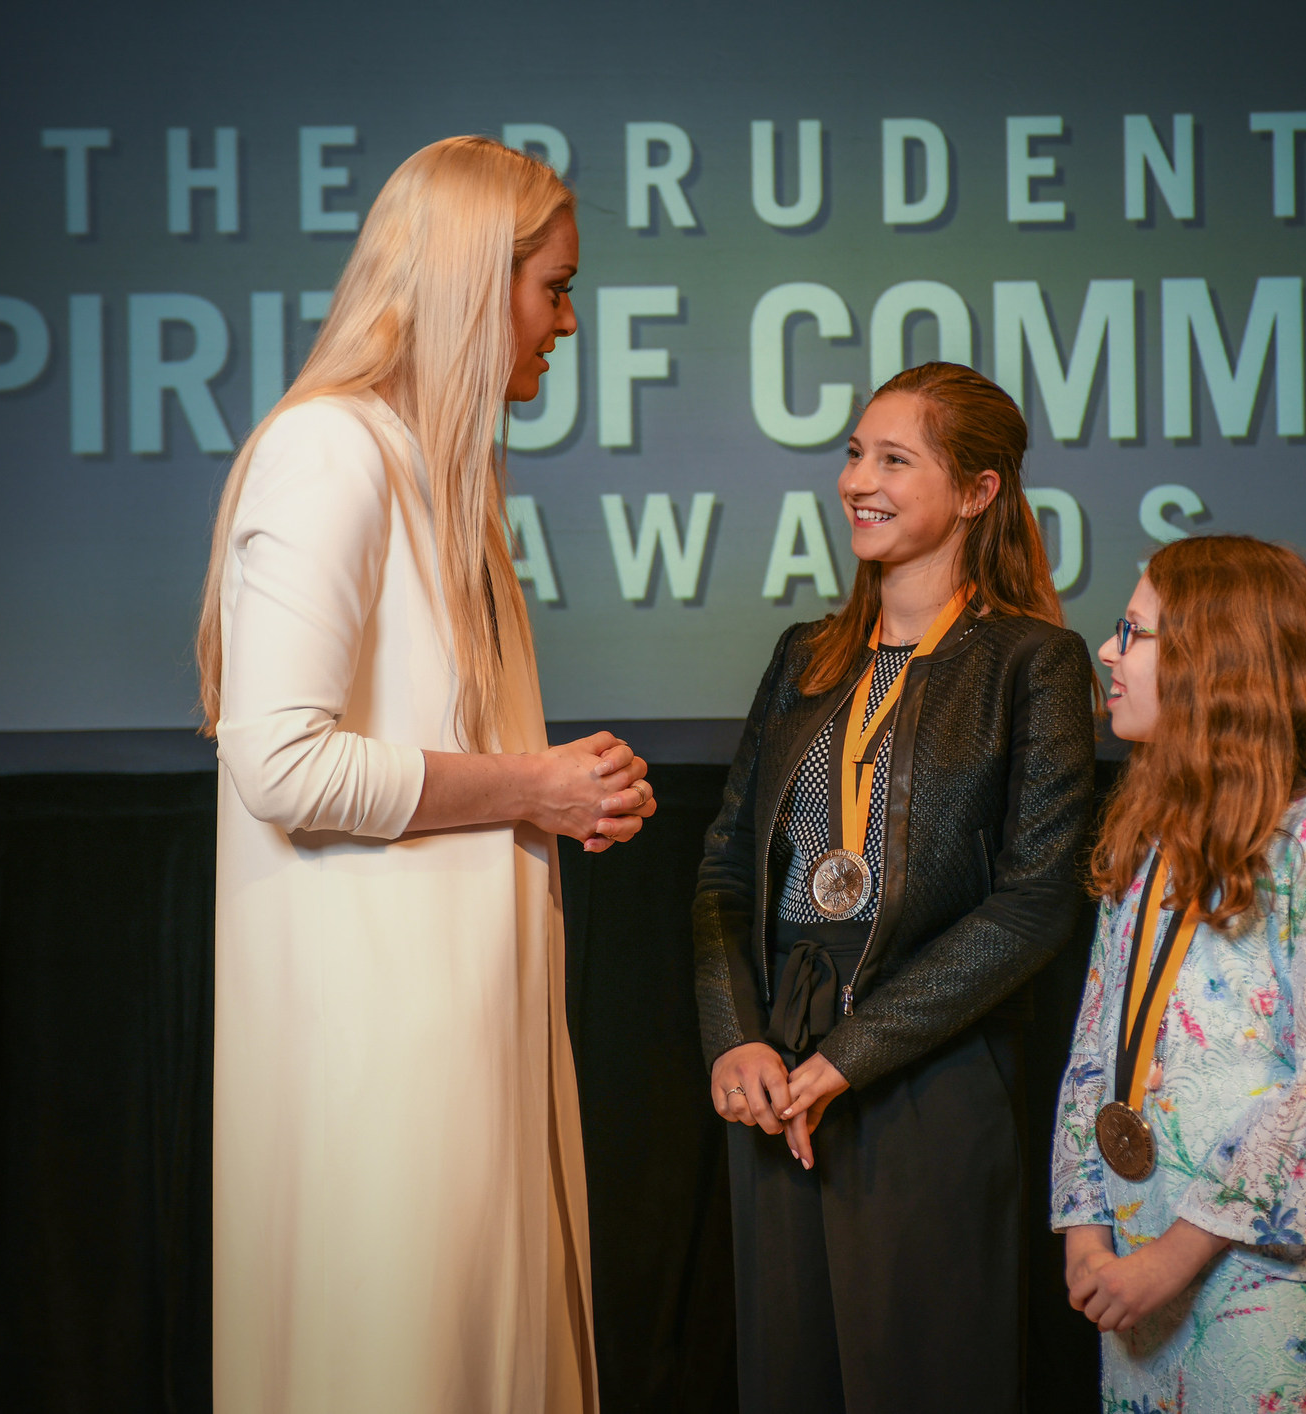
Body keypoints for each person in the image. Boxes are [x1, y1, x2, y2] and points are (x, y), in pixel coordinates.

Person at [196, 136, 653, 1414]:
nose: (568, 321)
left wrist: (561, 785)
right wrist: (532, 787)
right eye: (554, 288)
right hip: (379, 1060)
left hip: (460, 1043)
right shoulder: (329, 450)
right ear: (471, 281)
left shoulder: (438, 477)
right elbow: (278, 761)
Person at [692, 362, 1099, 1413]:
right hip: (778, 1062)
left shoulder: (1033, 662)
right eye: (852, 454)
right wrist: (735, 1036)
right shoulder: (803, 655)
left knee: (924, 1374)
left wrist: (854, 1054)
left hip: (931, 1056)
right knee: (790, 1377)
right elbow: (727, 868)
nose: (857, 481)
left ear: (976, 491)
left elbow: (1035, 902)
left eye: (893, 459)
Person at [1051, 535, 1306, 1412]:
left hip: (1261, 1276)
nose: (1108, 651)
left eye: (1134, 631)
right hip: (1138, 1261)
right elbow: (1092, 1050)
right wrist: (1085, 1231)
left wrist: (1175, 1256)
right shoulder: (1146, 841)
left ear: (1216, 663)